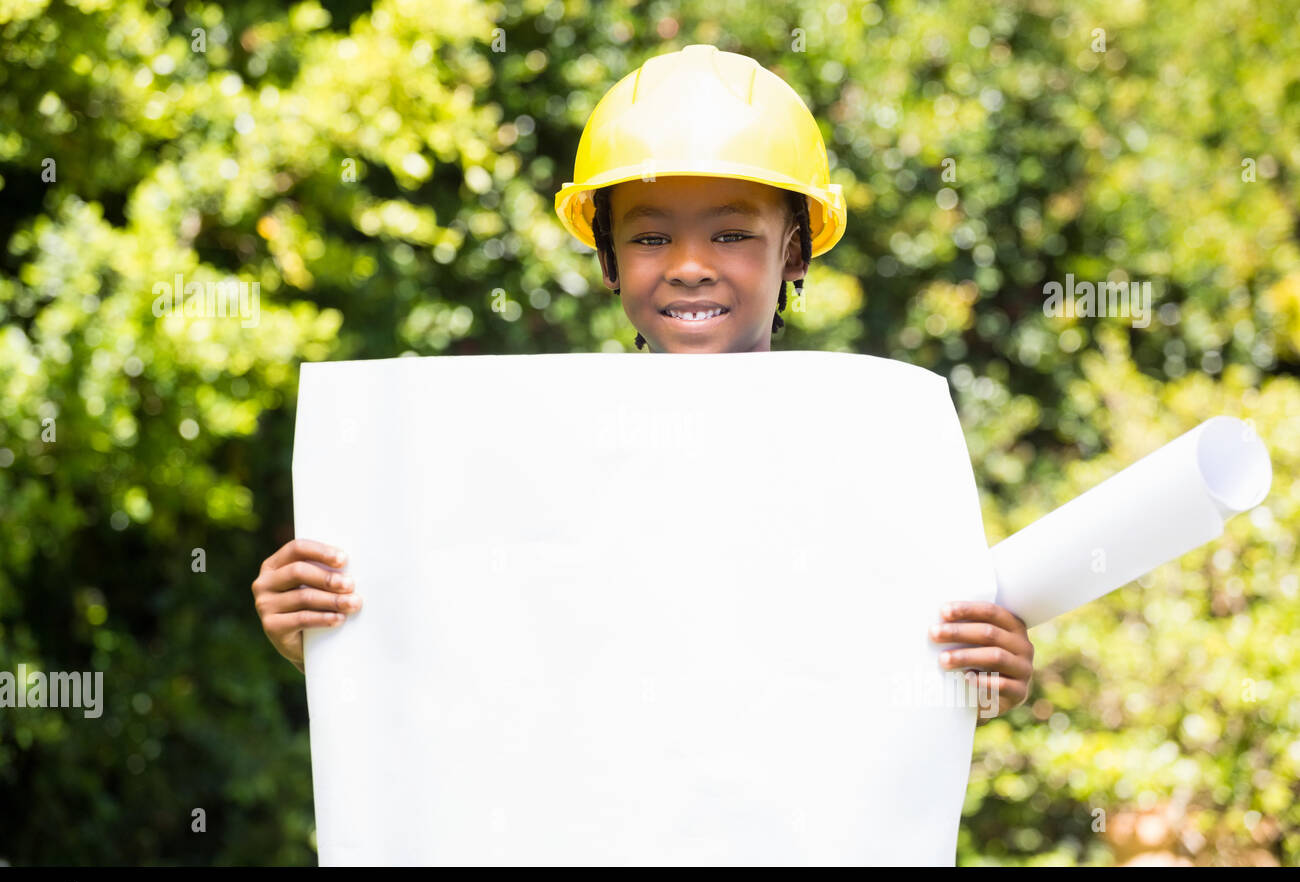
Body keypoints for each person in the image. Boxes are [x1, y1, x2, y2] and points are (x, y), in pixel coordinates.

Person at [252, 45, 1034, 722]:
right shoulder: (528, 461)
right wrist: (326, 636)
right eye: (651, 235)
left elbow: (885, 671)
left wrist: (983, 678)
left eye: (732, 233)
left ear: (794, 252)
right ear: (608, 260)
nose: (690, 265)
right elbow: (481, 658)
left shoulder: (872, 450)